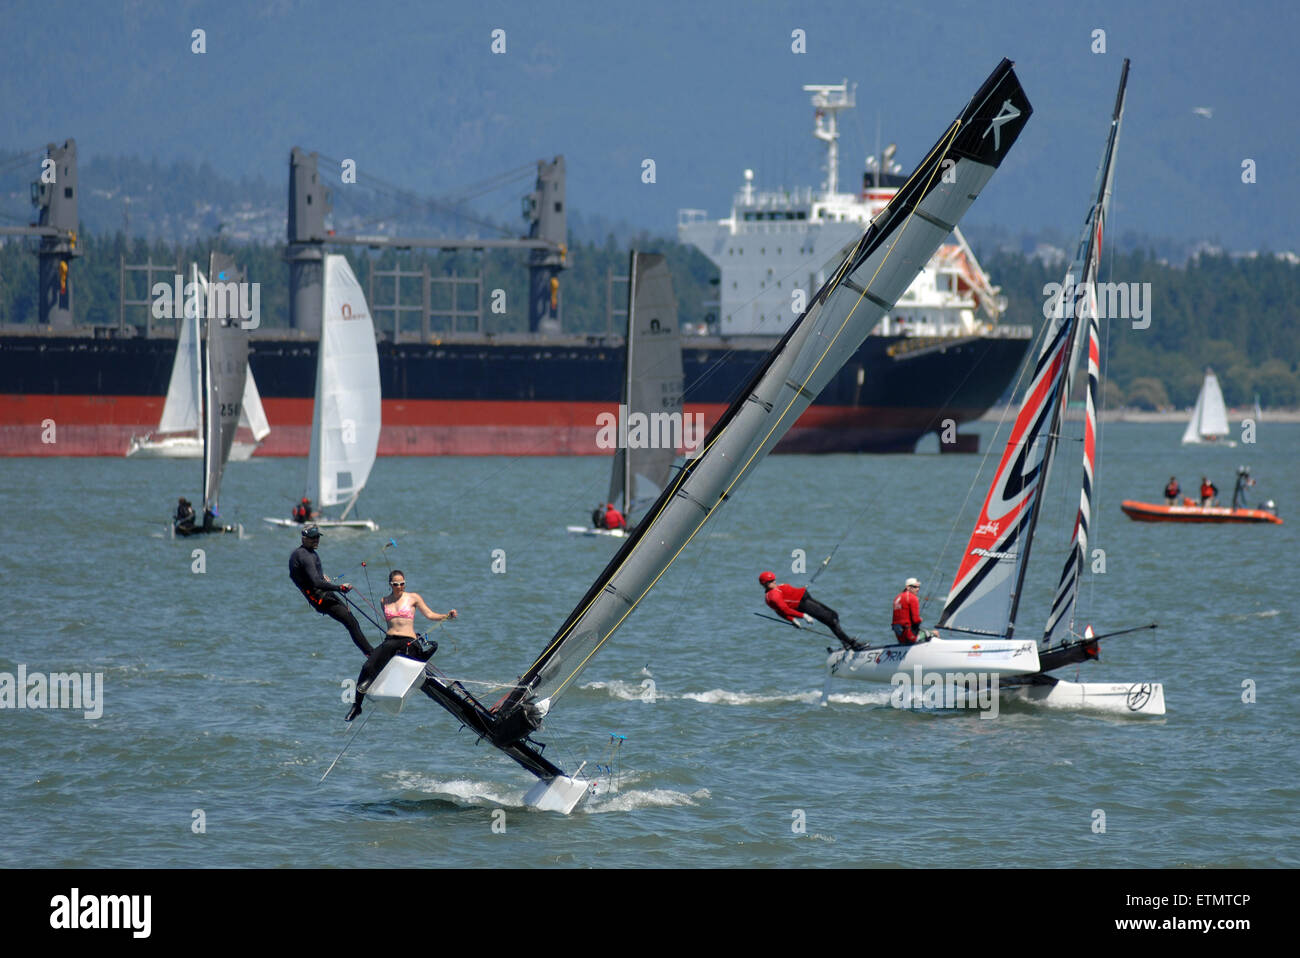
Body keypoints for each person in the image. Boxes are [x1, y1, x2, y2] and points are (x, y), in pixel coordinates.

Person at [346, 570, 457, 721]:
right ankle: (356, 706)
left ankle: (372, 681)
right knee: (367, 667)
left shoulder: (413, 598)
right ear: (390, 585)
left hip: (408, 641)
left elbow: (430, 615)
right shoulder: (384, 600)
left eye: (402, 583)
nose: (400, 586)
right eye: (396, 584)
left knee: (399, 662)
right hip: (390, 640)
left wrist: (446, 616)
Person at [289, 525, 373, 656]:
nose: (316, 540)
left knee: (352, 621)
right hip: (321, 599)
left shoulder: (306, 553)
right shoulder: (305, 556)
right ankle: (371, 655)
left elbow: (310, 577)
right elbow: (315, 582)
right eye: (312, 538)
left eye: (317, 537)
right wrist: (339, 587)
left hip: (324, 594)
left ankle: (370, 653)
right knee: (351, 622)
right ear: (304, 538)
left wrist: (321, 577)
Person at [759, 571, 865, 652]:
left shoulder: (773, 592)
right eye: (772, 581)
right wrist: (803, 616)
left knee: (833, 615)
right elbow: (783, 609)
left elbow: (779, 610)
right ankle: (852, 645)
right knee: (831, 620)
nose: (775, 581)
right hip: (804, 604)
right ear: (766, 583)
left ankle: (845, 643)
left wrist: (792, 620)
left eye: (774, 579)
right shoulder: (773, 595)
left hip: (805, 599)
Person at [892, 577, 925, 644]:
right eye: (915, 587)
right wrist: (920, 619)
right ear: (908, 587)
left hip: (899, 635)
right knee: (935, 633)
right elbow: (916, 620)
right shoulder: (913, 598)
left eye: (918, 587)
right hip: (909, 634)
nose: (918, 589)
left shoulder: (897, 597)